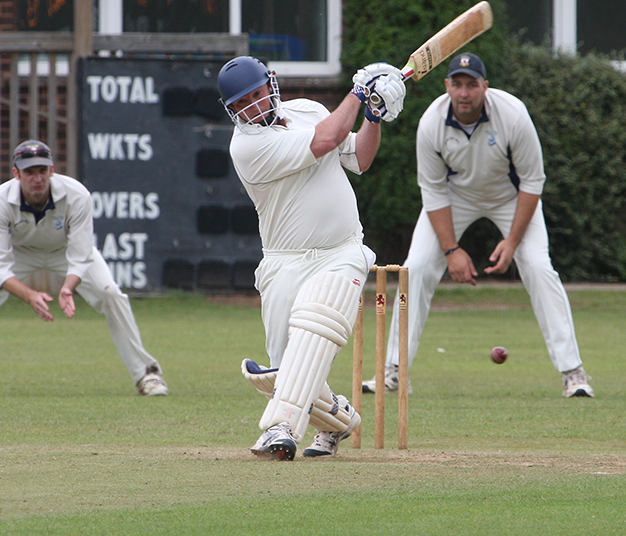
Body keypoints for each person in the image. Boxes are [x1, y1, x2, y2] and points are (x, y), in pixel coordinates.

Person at [362, 53, 593, 399]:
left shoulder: (512, 115)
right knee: (418, 267)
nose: (464, 93)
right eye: (457, 84)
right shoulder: (431, 123)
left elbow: (533, 181)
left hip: (510, 196)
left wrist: (512, 242)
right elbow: (433, 191)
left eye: (472, 84)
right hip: (454, 199)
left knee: (538, 267)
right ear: (447, 86)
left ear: (485, 86)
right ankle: (394, 370)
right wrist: (452, 251)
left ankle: (573, 372)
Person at [217, 56, 406, 460]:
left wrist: (373, 116)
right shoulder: (247, 146)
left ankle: (279, 429)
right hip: (283, 262)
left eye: (257, 93)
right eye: (243, 101)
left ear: (271, 85)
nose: (254, 104)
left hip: (341, 252)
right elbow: (324, 141)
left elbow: (360, 158)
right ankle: (340, 422)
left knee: (315, 329)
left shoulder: (308, 111)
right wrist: (358, 94)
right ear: (232, 110)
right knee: (288, 371)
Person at [0, 140, 168, 396]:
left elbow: (80, 254)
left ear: (52, 171)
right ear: (16, 174)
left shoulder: (77, 194)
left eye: (42, 170)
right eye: (29, 172)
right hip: (21, 253)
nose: (37, 178)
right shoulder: (0, 200)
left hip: (65, 252)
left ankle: (147, 375)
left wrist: (67, 288)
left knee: (110, 293)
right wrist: (30, 296)